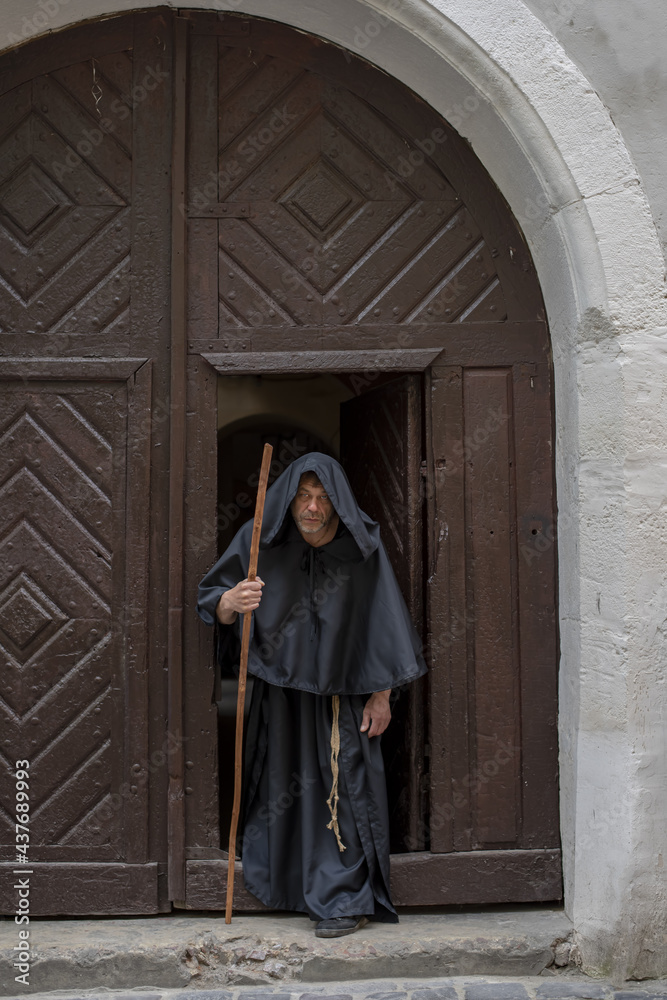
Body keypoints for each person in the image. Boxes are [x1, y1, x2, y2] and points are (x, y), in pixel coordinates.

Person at [197, 452, 427, 937]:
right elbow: (214, 599)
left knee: (343, 791)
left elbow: (383, 621)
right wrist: (230, 601)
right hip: (281, 697)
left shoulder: (361, 548)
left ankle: (343, 898)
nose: (313, 507)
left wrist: (381, 695)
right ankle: (288, 885)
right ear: (290, 499)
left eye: (323, 498)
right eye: (304, 495)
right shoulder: (260, 541)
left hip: (342, 696)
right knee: (282, 789)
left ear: (337, 502)